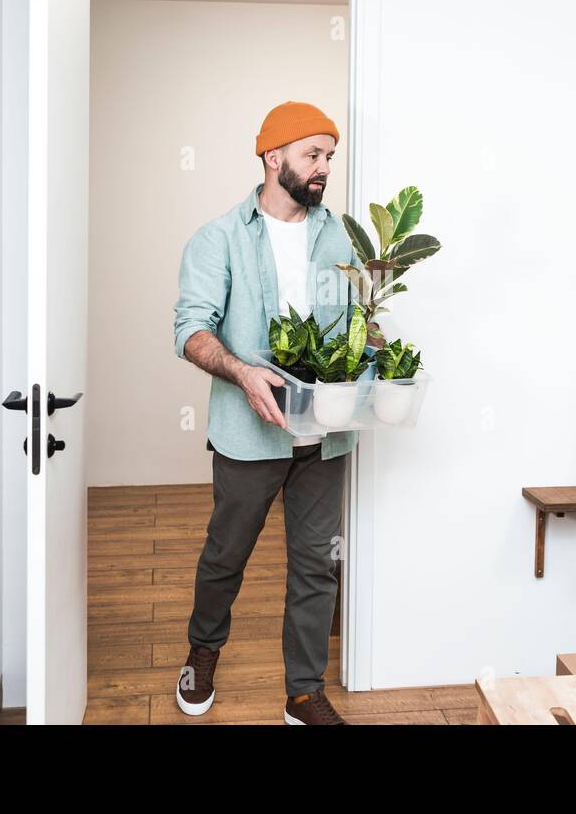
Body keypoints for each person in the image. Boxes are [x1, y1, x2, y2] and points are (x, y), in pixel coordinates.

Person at [171, 101, 357, 725]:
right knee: (227, 554)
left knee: (316, 563)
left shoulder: (341, 235)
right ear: (273, 157)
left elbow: (356, 321)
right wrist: (243, 372)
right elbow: (191, 331)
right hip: (249, 435)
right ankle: (202, 653)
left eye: (329, 156)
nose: (324, 167)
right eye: (313, 154)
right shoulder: (218, 237)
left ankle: (304, 691)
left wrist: (374, 351)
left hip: (324, 434)